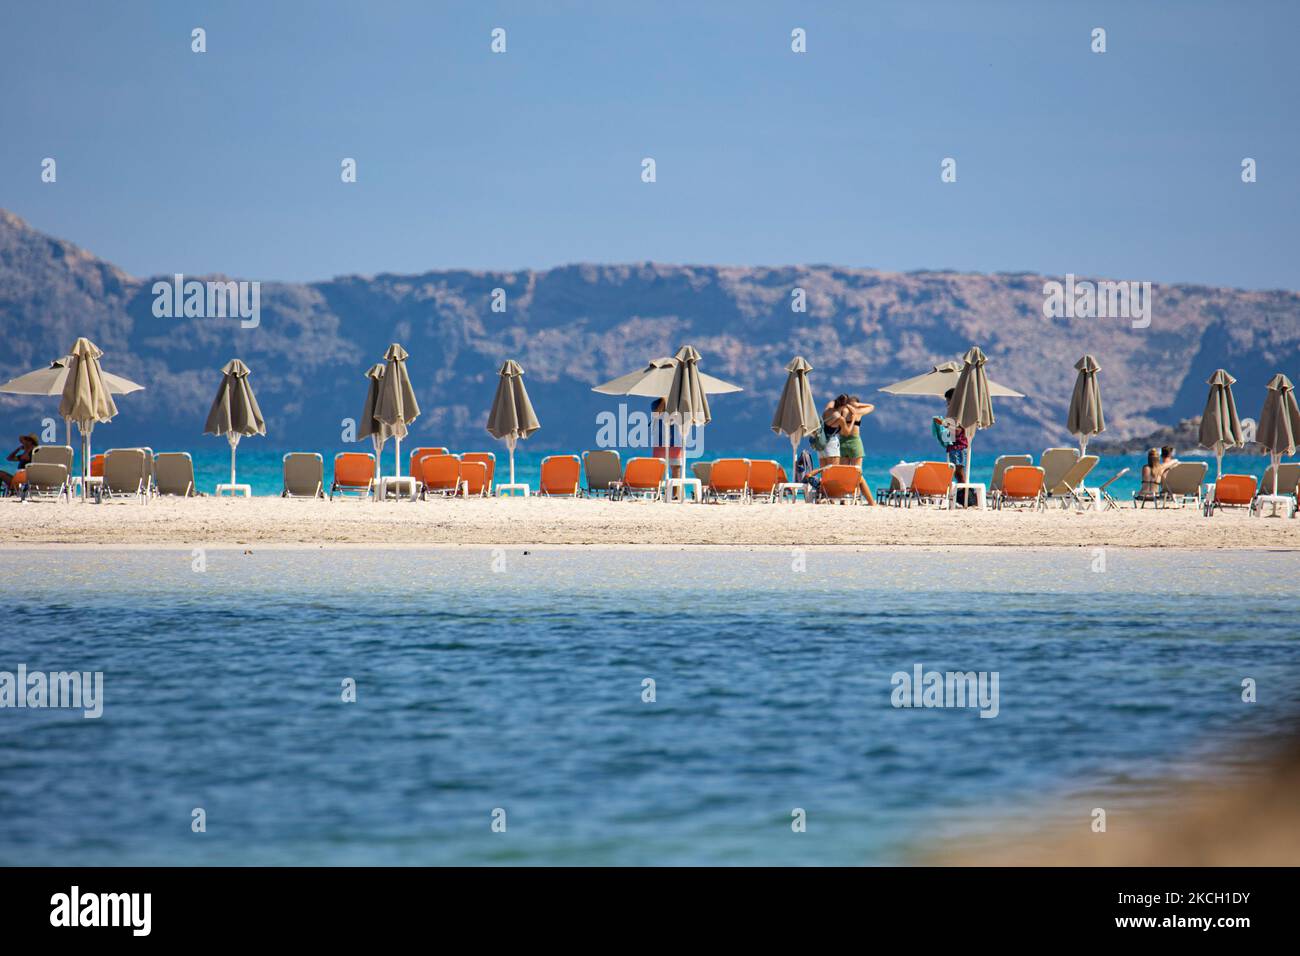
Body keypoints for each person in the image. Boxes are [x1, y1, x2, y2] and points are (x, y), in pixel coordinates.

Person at [934, 389, 969, 483]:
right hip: (953, 446)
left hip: (959, 447)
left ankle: (965, 493)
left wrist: (943, 423)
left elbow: (958, 431)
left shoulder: (959, 413)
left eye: (949, 401)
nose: (947, 404)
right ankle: (962, 493)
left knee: (959, 473)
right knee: (956, 473)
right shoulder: (952, 413)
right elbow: (949, 435)